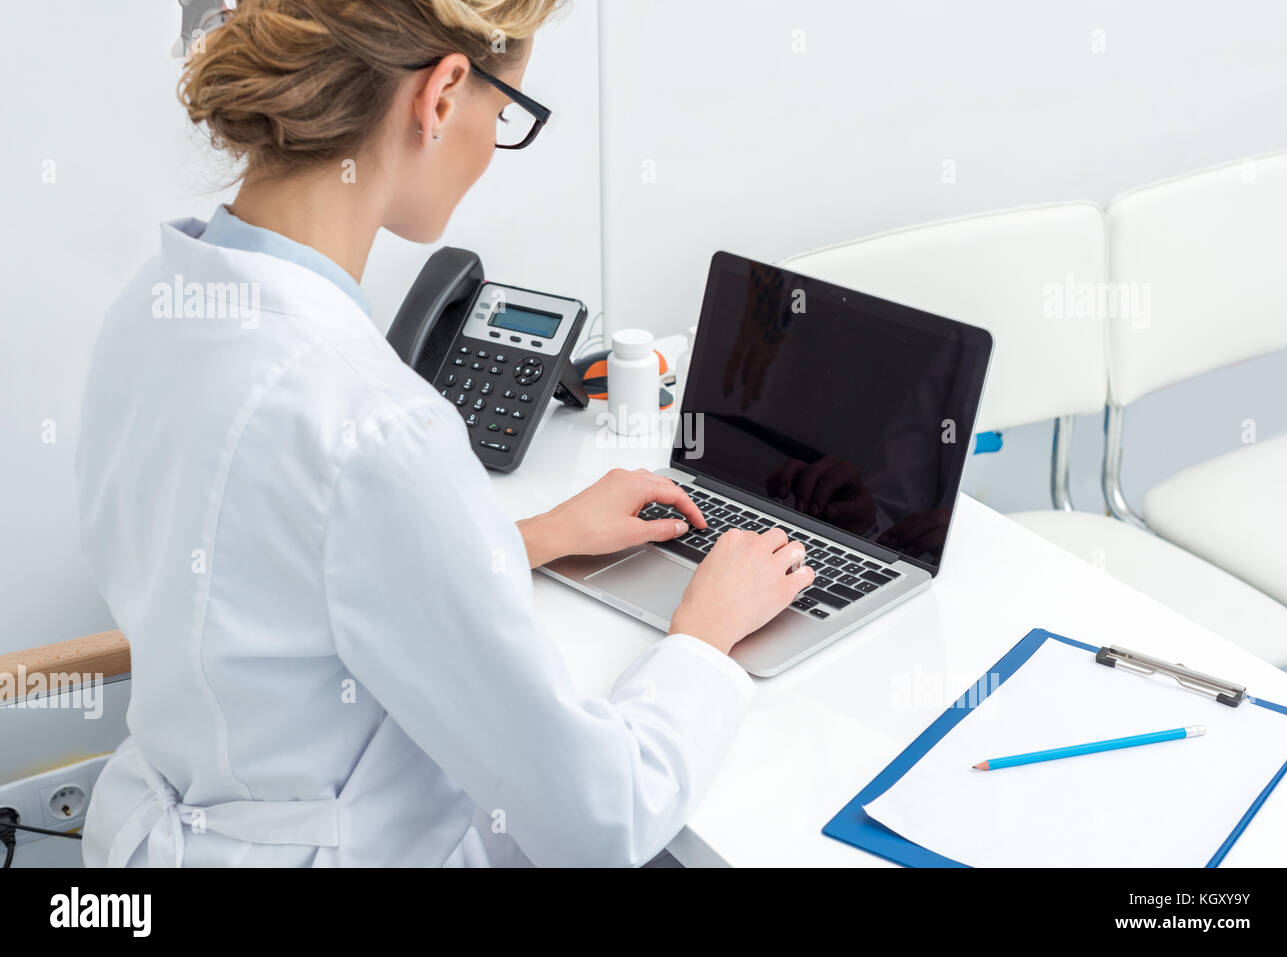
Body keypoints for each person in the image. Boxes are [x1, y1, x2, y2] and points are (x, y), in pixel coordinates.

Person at [74, 0, 812, 867]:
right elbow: (596, 822)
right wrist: (703, 637)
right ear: (444, 92)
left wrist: (521, 539)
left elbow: (255, 584)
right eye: (506, 117)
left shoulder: (157, 305)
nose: (494, 149)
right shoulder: (375, 424)